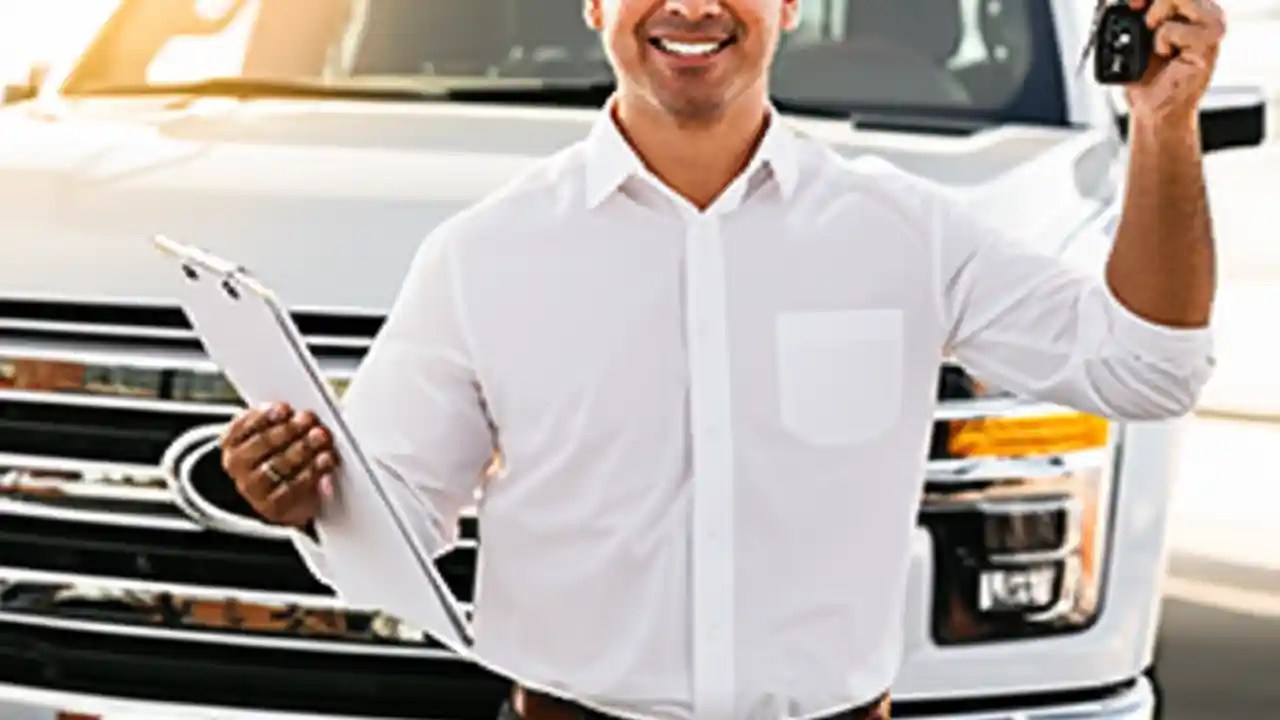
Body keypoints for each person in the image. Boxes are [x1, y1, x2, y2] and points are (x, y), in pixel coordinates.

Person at [218, 0, 1226, 718]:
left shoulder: (905, 232)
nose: (693, 7)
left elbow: (1147, 369)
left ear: (789, 4)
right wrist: (303, 492)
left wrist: (1162, 124)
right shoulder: (481, 253)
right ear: (594, 3)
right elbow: (395, 515)